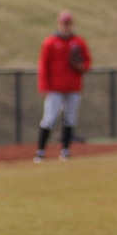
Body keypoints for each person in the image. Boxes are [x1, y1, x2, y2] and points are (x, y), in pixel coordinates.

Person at [35, 10, 92, 163]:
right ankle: (40, 151)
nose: (66, 26)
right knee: (49, 118)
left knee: (70, 119)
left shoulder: (79, 42)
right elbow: (43, 65)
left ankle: (65, 150)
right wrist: (43, 86)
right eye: (63, 23)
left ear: (72, 24)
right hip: (54, 88)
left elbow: (87, 62)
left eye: (68, 23)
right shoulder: (50, 42)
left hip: (73, 87)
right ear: (59, 23)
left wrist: (82, 66)